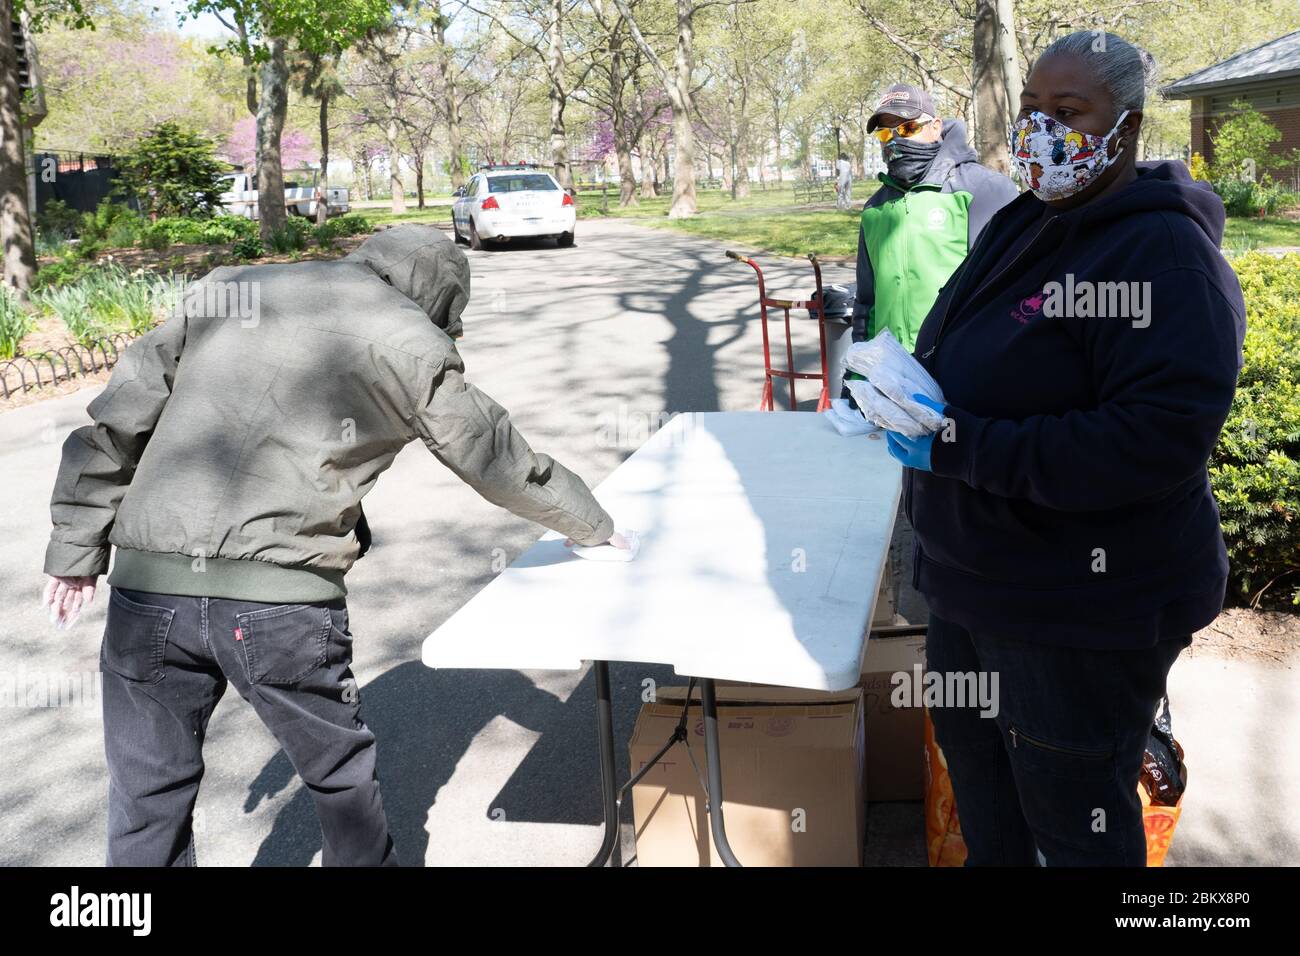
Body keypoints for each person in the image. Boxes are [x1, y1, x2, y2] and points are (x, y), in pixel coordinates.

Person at [41, 224, 625, 866]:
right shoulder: (411, 342)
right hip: (280, 604)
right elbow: (491, 455)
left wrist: (75, 551)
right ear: (438, 300)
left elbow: (119, 420)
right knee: (338, 780)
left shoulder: (230, 287)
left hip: (148, 595)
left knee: (146, 793)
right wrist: (593, 524)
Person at [885, 32, 1246, 865]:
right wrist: (902, 387)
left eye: (1070, 111)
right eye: (1033, 109)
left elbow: (1152, 441)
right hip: (975, 590)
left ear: (1127, 126)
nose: (1042, 129)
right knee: (983, 796)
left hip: (1076, 612)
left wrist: (957, 443)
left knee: (1073, 818)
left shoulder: (1162, 256)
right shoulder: (1030, 220)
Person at [852, 83, 1019, 352]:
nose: (895, 140)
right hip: (889, 375)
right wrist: (859, 369)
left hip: (961, 373)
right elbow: (866, 301)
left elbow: (1009, 298)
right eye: (885, 133)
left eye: (907, 128)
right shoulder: (875, 209)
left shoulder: (984, 191)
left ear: (935, 127)